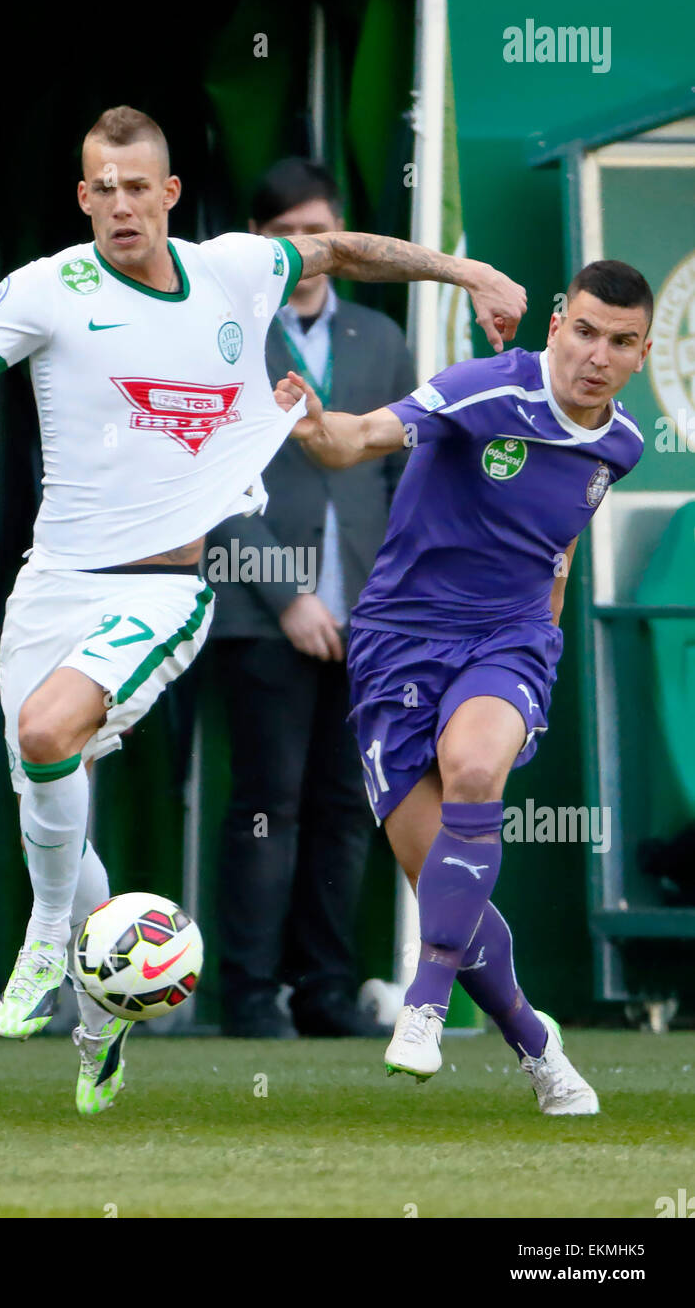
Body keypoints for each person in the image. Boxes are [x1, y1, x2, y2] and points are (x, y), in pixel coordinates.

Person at [0, 105, 526, 1113]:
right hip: (51, 586)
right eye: (102, 187)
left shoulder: (234, 267)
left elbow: (342, 249)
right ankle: (101, 1025)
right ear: (83, 196)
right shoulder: (46, 289)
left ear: (169, 194)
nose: (120, 204)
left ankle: (48, 937)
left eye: (139, 186)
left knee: (48, 728)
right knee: (49, 797)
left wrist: (470, 272)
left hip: (165, 587)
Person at [274, 259, 651, 1114]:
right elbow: (360, 438)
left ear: (642, 353)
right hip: (399, 647)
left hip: (508, 639)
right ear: (557, 324)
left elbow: (562, 540)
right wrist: (313, 425)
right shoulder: (483, 392)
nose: (597, 354)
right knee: (447, 884)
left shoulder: (621, 443)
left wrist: (543, 633)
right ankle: (536, 1043)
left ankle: (425, 998)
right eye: (585, 331)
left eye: (620, 342)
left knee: (477, 772)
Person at [208, 159, 413, 1037]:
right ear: (257, 241)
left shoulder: (381, 338)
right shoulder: (220, 335)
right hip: (261, 616)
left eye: (317, 231)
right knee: (267, 805)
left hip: (366, 622)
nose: (303, 247)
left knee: (346, 806)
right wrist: (288, 595)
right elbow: (206, 482)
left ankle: (327, 992)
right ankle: (250, 996)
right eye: (285, 231)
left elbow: (405, 477)